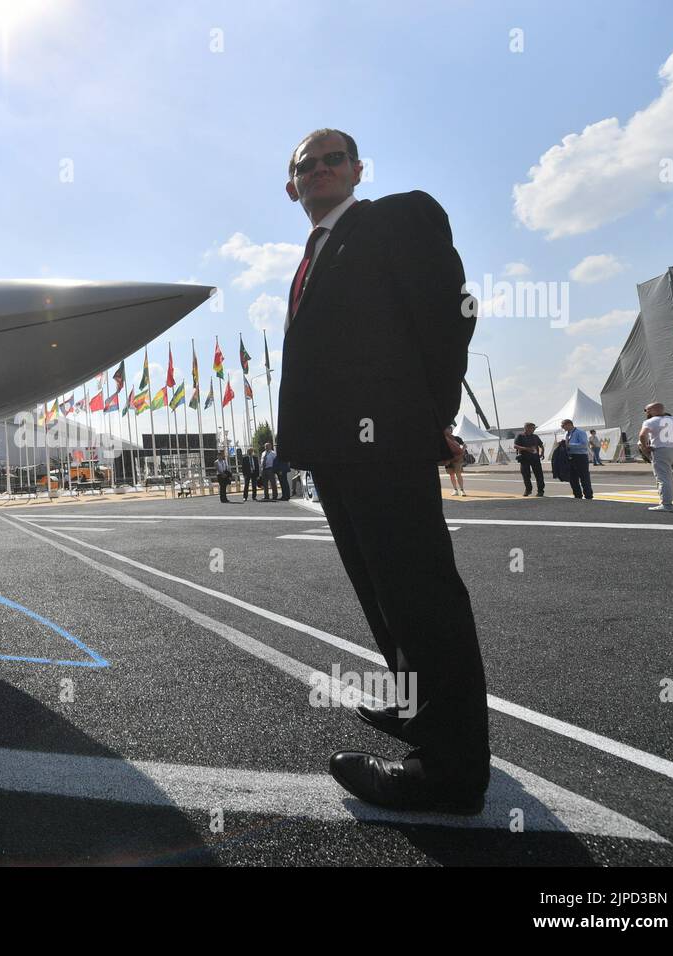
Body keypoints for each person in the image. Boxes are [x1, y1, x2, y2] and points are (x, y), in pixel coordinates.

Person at [275, 127, 490, 814]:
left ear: (358, 169)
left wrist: (433, 419)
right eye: (306, 166)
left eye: (333, 159)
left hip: (386, 442)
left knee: (421, 599)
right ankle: (416, 706)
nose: (320, 170)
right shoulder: (314, 251)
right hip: (338, 451)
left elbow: (449, 316)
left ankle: (448, 771)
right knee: (383, 596)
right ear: (292, 187)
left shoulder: (396, 216)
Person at [562, 419, 593, 499]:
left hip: (580, 456)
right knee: (572, 478)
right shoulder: (567, 434)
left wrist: (569, 445)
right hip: (571, 457)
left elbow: (584, 444)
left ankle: (588, 495)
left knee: (584, 476)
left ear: (569, 424)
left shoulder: (580, 432)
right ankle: (577, 495)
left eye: (563, 425)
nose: (562, 427)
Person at [512, 422, 545, 497]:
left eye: (533, 428)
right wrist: (526, 449)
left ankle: (540, 491)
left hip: (535, 458)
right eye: (531, 428)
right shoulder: (520, 436)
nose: (533, 429)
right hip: (524, 459)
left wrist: (542, 453)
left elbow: (541, 445)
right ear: (526, 428)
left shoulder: (535, 436)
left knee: (539, 475)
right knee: (526, 475)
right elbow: (515, 446)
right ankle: (528, 489)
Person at [441, 431, 467, 496]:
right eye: (446, 429)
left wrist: (462, 451)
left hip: (457, 459)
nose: (448, 431)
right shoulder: (443, 439)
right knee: (451, 475)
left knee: (458, 474)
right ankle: (455, 489)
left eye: (449, 429)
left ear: (451, 430)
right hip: (448, 459)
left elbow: (464, 445)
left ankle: (462, 490)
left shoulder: (457, 438)